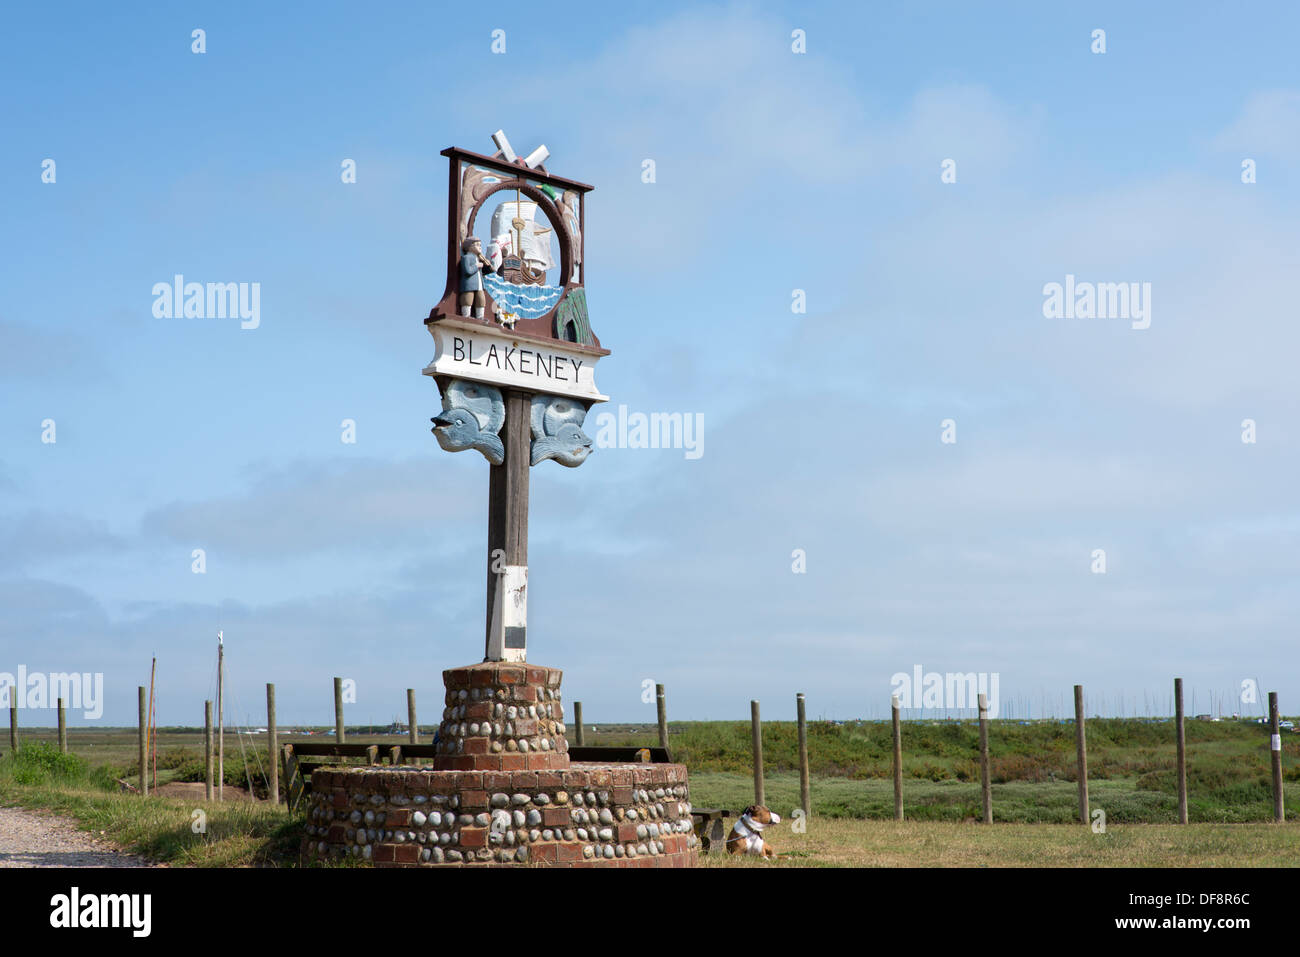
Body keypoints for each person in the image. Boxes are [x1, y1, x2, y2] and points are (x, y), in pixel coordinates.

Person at [458, 237, 495, 319]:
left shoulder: (479, 259)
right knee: (468, 298)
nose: (480, 247)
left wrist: (489, 267)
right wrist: (476, 266)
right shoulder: (466, 257)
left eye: (480, 245)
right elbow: (468, 270)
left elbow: (486, 272)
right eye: (477, 245)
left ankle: (480, 316)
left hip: (479, 284)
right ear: (469, 246)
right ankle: (466, 315)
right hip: (469, 284)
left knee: (481, 299)